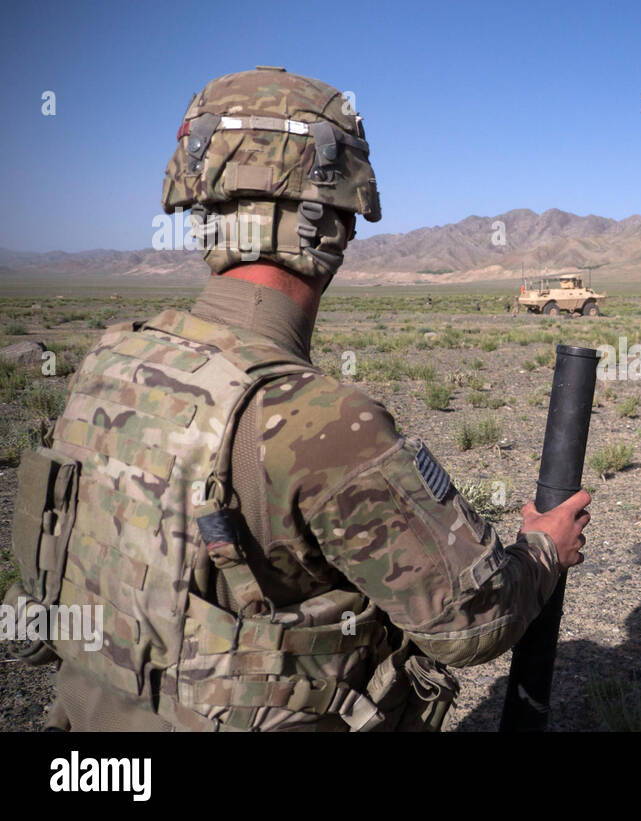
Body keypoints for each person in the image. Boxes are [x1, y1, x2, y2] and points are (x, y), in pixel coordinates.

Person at [4, 67, 590, 732]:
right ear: (335, 224)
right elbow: (471, 620)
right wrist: (542, 550)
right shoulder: (320, 421)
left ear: (203, 211)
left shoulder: (109, 362)